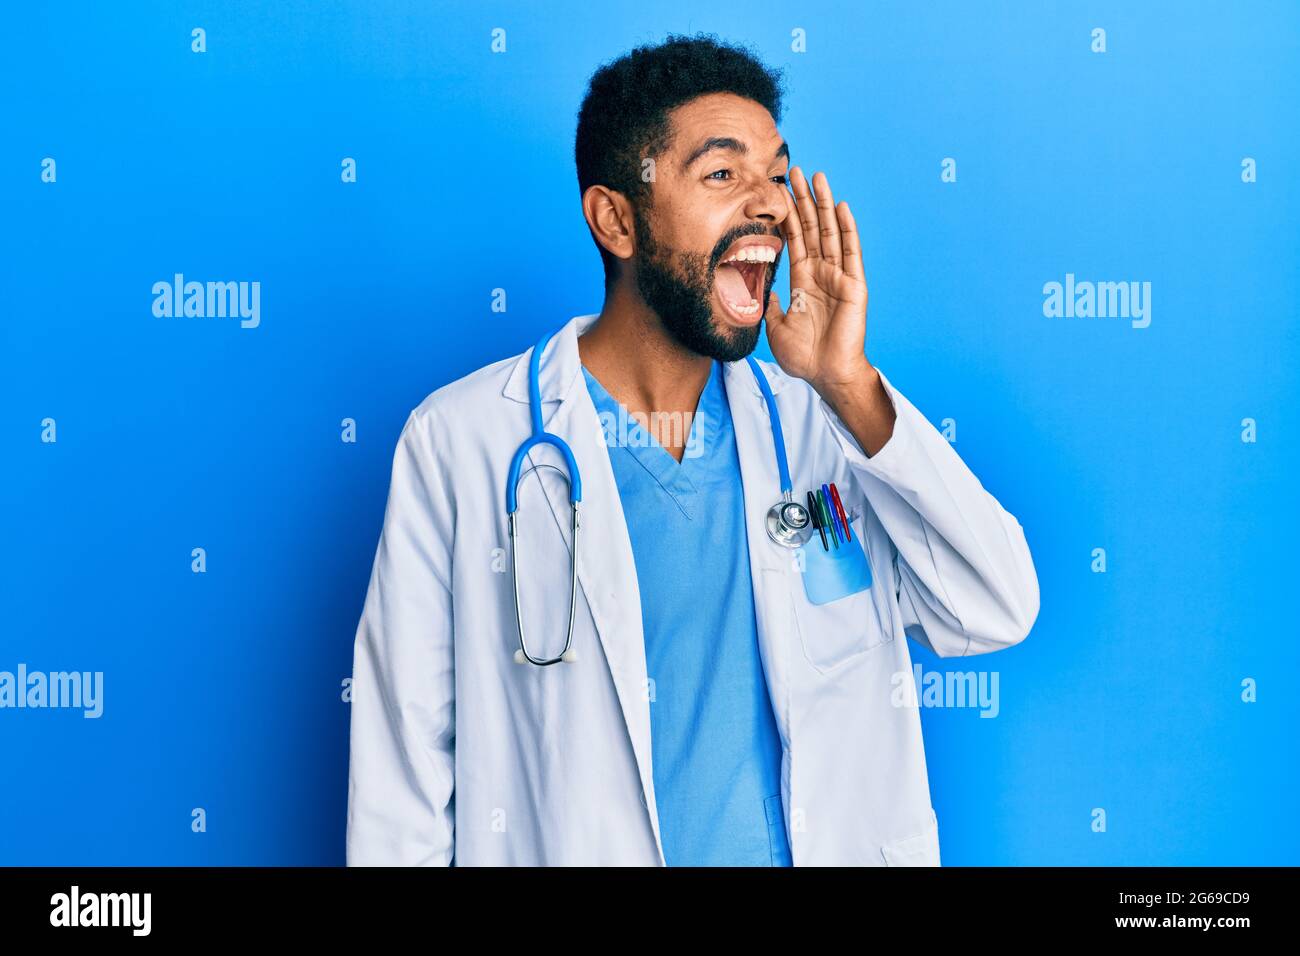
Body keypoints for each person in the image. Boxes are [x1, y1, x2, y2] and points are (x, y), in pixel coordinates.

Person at [345, 33, 1039, 866]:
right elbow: (401, 785)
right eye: (723, 173)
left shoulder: (823, 423)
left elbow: (997, 607)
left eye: (776, 174)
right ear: (616, 219)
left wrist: (849, 384)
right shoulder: (462, 442)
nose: (771, 205)